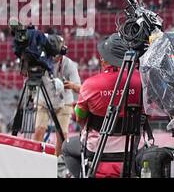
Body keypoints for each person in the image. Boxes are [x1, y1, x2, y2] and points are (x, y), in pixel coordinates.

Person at [62, 33, 143, 178]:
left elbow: (80, 118)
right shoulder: (141, 81)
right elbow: (146, 115)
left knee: (66, 147)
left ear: (105, 61)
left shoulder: (90, 85)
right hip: (131, 148)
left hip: (96, 148)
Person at [33, 33, 80, 154]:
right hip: (44, 100)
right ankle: (34, 157)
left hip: (64, 102)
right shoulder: (40, 60)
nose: (54, 57)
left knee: (62, 135)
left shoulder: (69, 64)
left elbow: (79, 87)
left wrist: (71, 85)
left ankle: (58, 160)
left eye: (57, 54)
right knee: (39, 130)